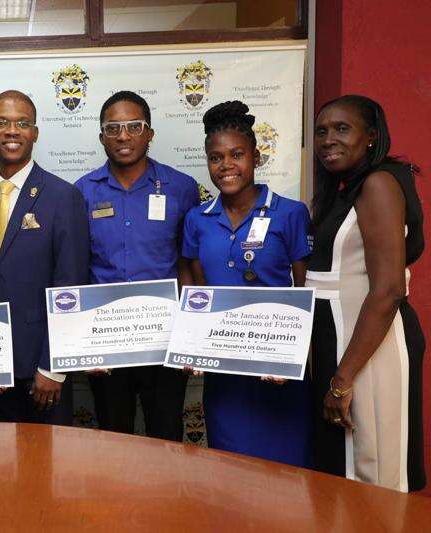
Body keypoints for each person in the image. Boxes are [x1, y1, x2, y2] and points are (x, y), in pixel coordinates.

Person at [181, 101, 313, 467]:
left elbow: (305, 291)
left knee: (288, 473)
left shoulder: (290, 213)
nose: (226, 165)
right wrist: (191, 343)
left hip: (278, 369)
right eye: (216, 158)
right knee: (231, 471)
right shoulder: (197, 219)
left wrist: (291, 356)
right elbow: (197, 289)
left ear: (256, 157)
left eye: (237, 155)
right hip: (227, 377)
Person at [308, 95, 425, 492]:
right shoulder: (347, 189)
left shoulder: (378, 184)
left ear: (372, 136)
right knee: (345, 470)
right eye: (321, 131)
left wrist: (342, 379)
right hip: (341, 345)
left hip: (368, 351)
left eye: (342, 129)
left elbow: (388, 290)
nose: (328, 140)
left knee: (374, 471)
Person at [74, 91, 199, 440]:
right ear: (102, 137)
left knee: (166, 436)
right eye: (113, 128)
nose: (123, 136)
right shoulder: (82, 192)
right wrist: (82, 343)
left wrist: (191, 335)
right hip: (106, 341)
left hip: (165, 340)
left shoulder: (182, 188)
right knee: (114, 439)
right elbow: (76, 269)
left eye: (134, 126)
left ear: (150, 133)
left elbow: (190, 264)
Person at [0, 90, 90, 425]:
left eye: (22, 123)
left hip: (42, 370)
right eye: (1, 122)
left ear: (35, 132)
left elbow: (71, 285)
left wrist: (53, 367)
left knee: (49, 457)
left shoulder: (63, 196)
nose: (12, 130)